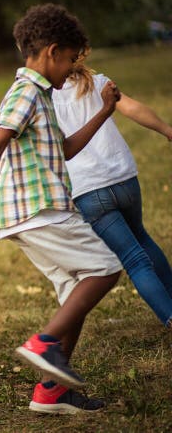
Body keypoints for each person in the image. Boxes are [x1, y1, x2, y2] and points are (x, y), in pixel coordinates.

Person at [0, 3, 124, 414]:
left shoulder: (40, 97)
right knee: (106, 267)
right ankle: (44, 344)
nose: (72, 70)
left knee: (75, 295)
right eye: (70, 61)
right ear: (52, 52)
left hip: (36, 212)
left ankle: (50, 391)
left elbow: (65, 149)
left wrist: (105, 112)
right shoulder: (26, 92)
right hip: (39, 210)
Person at [53, 62, 172, 327]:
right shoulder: (95, 83)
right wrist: (167, 130)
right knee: (142, 238)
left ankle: (170, 316)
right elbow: (132, 108)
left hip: (89, 191)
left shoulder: (44, 96)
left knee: (134, 259)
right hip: (123, 179)